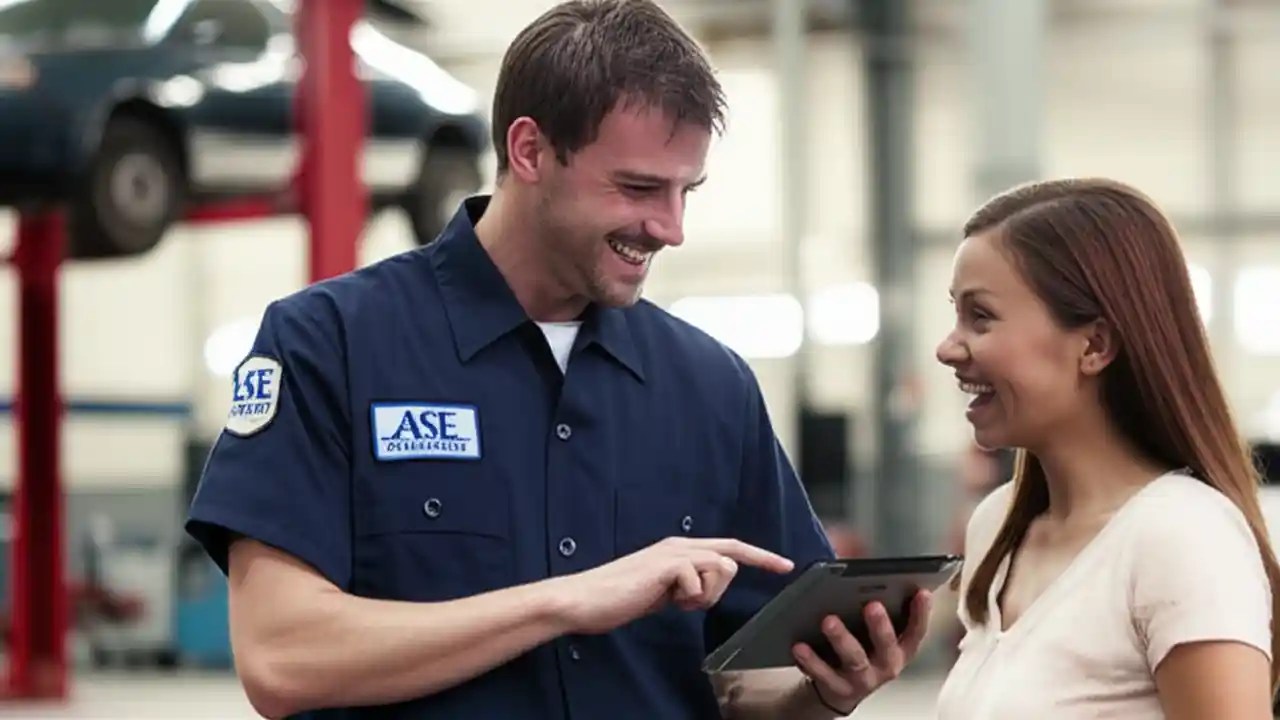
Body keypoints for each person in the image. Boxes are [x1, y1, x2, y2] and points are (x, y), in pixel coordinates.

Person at [184, 1, 930, 718]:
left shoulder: (710, 387)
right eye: (638, 188)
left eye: (685, 192)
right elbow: (282, 658)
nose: (669, 229)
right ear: (530, 150)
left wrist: (824, 694)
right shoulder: (330, 347)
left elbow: (736, 691)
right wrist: (568, 599)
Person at [933, 177, 1280, 718]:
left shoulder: (1182, 536)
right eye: (956, 313)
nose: (947, 347)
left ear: (1094, 344)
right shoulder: (997, 525)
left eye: (980, 316)